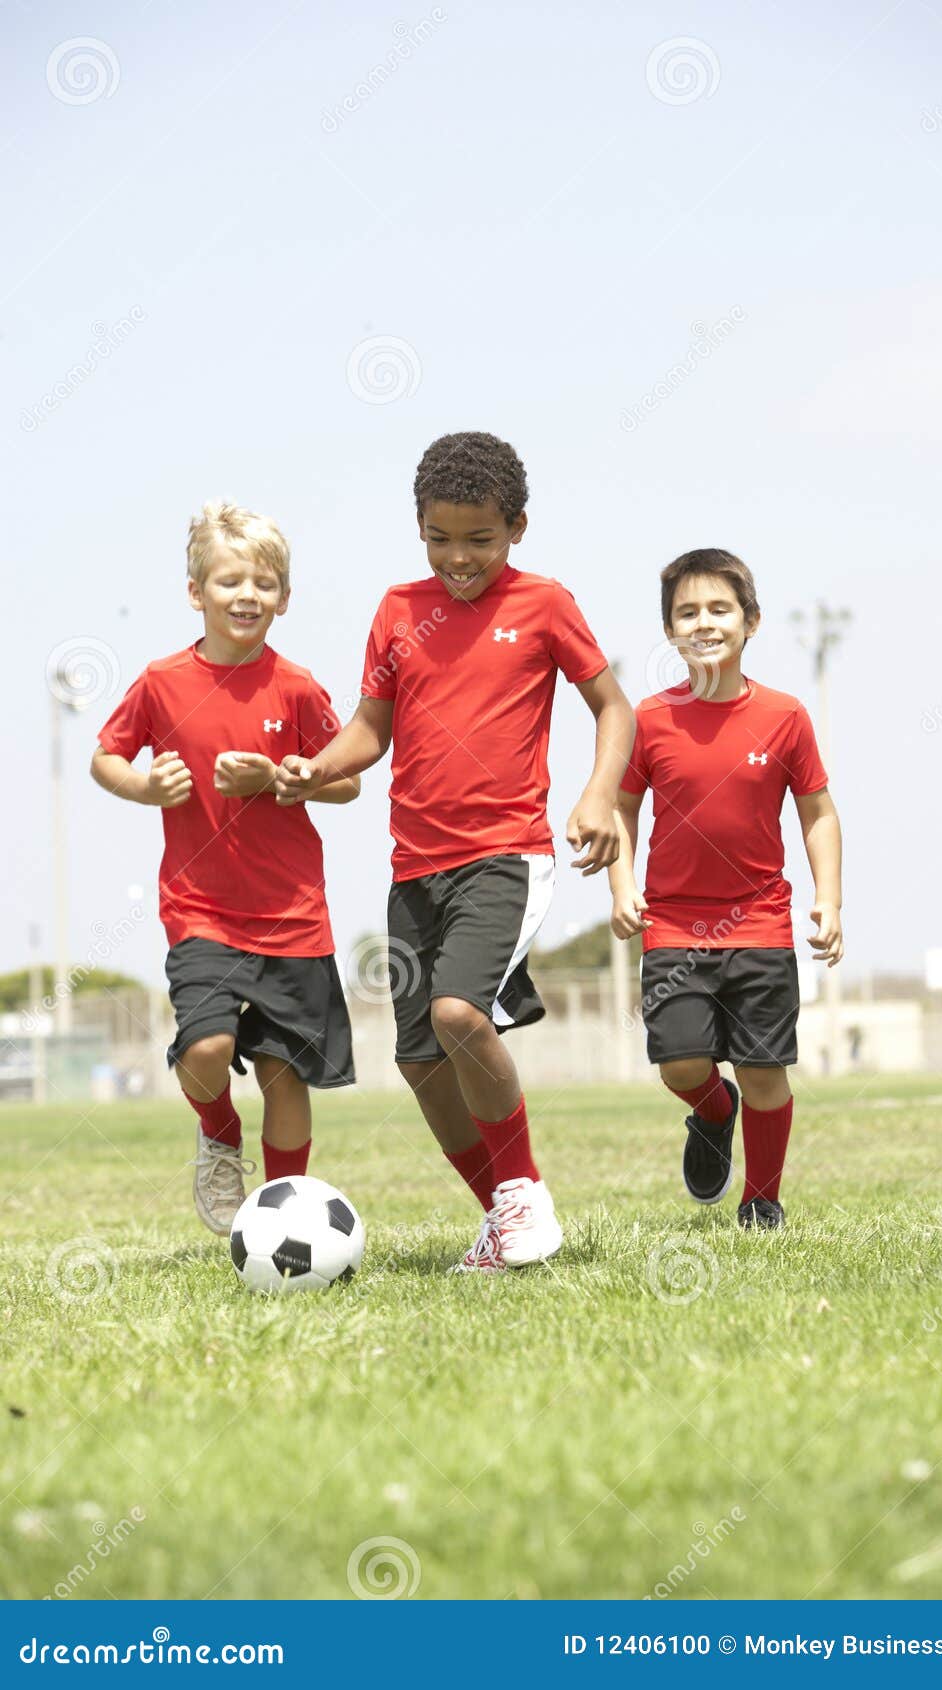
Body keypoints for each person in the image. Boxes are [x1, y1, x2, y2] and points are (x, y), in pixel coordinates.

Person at [276, 432, 634, 1270]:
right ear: (418, 526)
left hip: (506, 854)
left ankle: (523, 1191)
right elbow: (369, 730)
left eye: (479, 539)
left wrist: (595, 797)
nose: (459, 558)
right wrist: (312, 768)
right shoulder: (397, 611)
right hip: (414, 868)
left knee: (458, 1014)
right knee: (415, 1057)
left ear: (516, 527)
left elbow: (614, 708)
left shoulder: (544, 605)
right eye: (439, 538)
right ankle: (500, 1215)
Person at [92, 501, 357, 1234]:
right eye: (230, 580)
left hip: (292, 914)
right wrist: (143, 786)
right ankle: (216, 1132)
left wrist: (280, 776)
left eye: (264, 583)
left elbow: (345, 779)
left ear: (284, 598)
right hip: (200, 910)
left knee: (283, 1072)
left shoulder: (297, 686)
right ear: (195, 591)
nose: (248, 595)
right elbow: (105, 756)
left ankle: (283, 1220)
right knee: (205, 1046)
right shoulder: (160, 681)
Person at [608, 548, 843, 1230]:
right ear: (670, 630)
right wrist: (621, 884)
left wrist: (827, 897)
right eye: (687, 612)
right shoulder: (648, 719)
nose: (703, 622)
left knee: (765, 1071)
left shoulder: (784, 715)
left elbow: (817, 811)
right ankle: (713, 1112)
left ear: (750, 623)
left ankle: (761, 1200)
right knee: (680, 1066)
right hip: (674, 927)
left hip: (761, 923)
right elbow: (620, 809)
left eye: (718, 609)